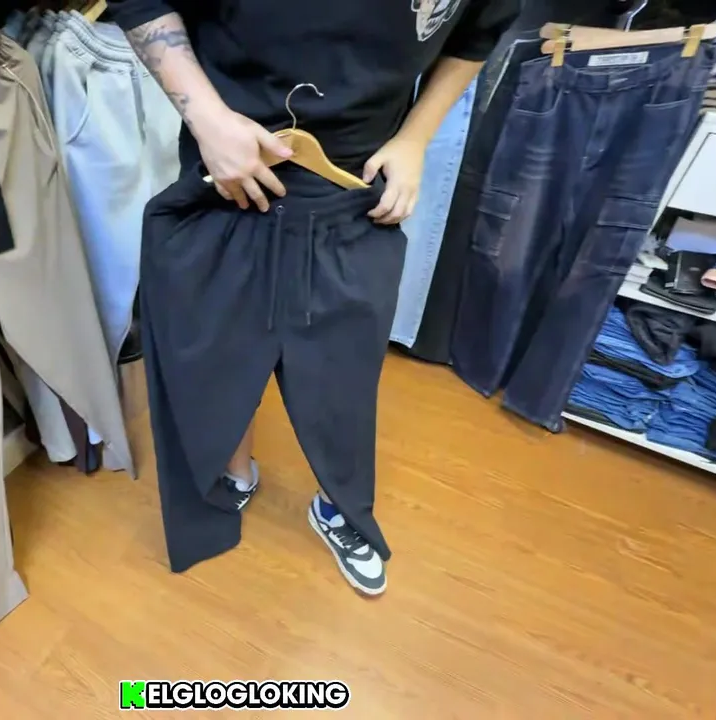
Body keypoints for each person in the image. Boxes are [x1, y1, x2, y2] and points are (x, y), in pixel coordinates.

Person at [110, 0, 518, 595]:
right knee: (220, 349)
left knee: (343, 370)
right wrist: (207, 119)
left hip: (358, 181)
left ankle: (339, 504)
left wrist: (416, 138)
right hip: (229, 164)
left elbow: (479, 30)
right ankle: (234, 471)